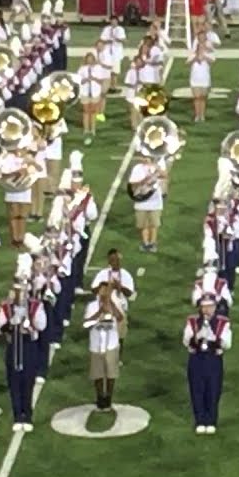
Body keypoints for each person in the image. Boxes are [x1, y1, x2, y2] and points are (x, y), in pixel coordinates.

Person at [0, 281, 46, 432]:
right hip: (13, 345)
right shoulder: (6, 307)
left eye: (22, 291)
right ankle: (18, 415)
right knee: (14, 382)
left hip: (28, 345)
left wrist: (28, 323)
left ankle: (28, 415)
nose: (20, 295)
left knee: (28, 381)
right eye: (17, 291)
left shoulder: (36, 305)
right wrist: (10, 324)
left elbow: (42, 325)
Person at [183, 294, 232, 435]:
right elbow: (186, 341)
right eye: (204, 306)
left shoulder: (223, 322)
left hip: (213, 358)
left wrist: (213, 337)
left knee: (213, 389)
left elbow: (227, 343)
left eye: (210, 306)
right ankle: (200, 420)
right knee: (197, 389)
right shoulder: (192, 321)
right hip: (196, 358)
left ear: (215, 307)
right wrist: (198, 334)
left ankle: (211, 420)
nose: (207, 310)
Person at [81, 281, 123, 411]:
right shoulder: (92, 306)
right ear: (98, 292)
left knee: (111, 374)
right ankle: (100, 397)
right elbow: (86, 324)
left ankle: (109, 397)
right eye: (102, 290)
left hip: (111, 344)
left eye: (107, 290)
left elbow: (120, 318)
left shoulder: (115, 303)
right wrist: (99, 312)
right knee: (97, 374)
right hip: (96, 344)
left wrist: (111, 305)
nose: (104, 293)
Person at [127, 154, 166, 252]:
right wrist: (143, 181)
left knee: (154, 225)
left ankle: (152, 243)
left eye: (147, 158)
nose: (145, 160)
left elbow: (165, 176)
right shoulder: (137, 168)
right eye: (144, 157)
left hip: (155, 201)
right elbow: (131, 184)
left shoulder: (156, 167)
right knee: (143, 225)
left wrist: (156, 168)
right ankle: (145, 243)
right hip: (141, 201)